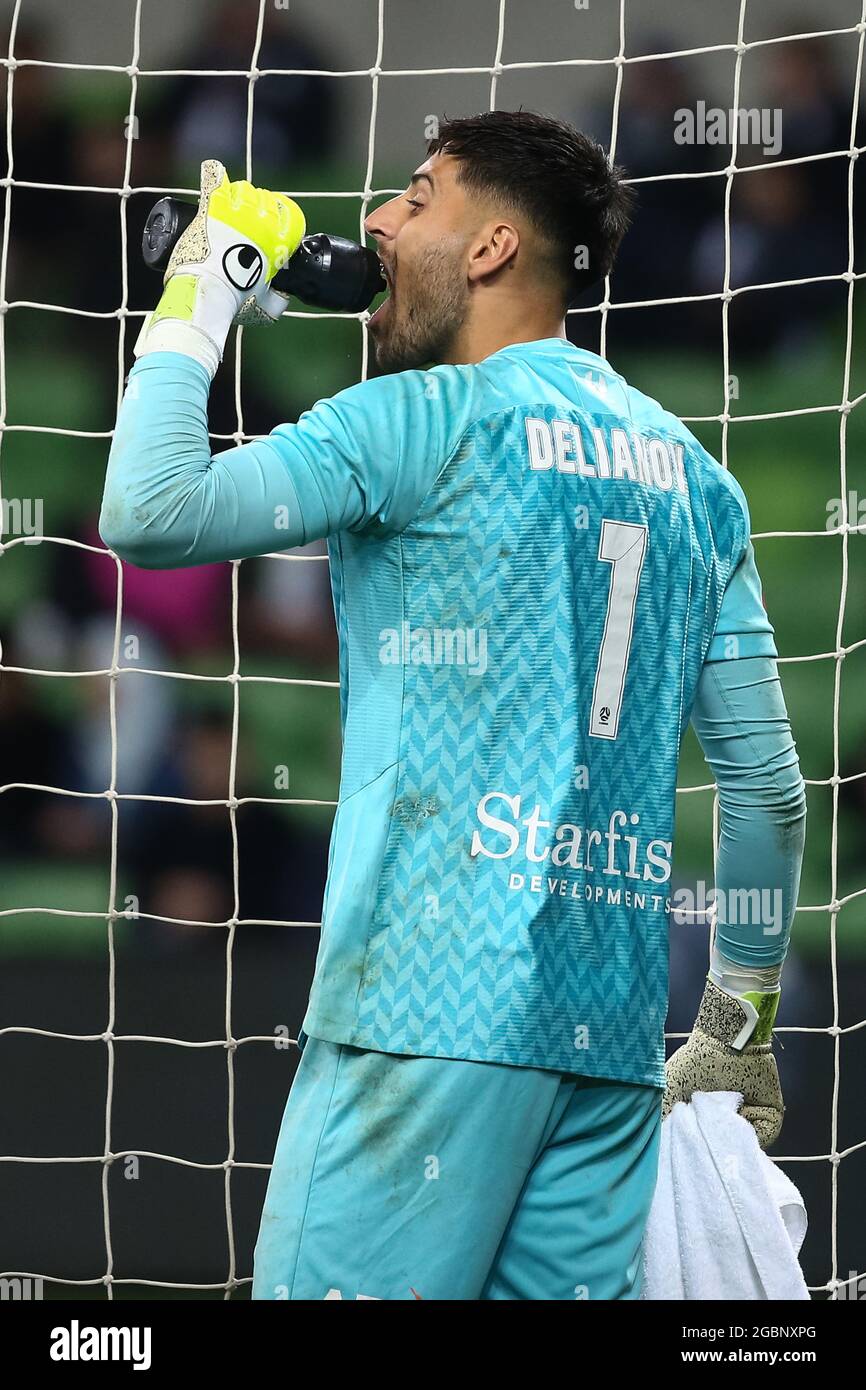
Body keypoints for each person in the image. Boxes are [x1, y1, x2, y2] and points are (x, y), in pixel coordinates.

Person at [99, 110, 806, 1300]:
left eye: (415, 198)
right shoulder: (700, 479)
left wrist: (204, 287)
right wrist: (733, 1023)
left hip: (421, 1019)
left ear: (485, 250)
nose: (375, 220)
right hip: (605, 1052)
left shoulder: (420, 422)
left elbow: (148, 510)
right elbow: (769, 790)